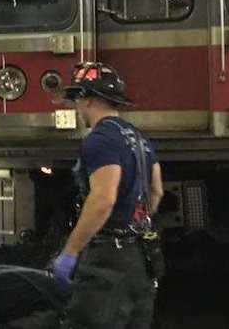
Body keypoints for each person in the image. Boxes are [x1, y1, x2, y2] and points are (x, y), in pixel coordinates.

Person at [48, 62, 164, 329]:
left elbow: (103, 199)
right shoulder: (139, 138)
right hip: (141, 258)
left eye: (77, 99)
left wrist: (70, 252)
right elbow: (156, 191)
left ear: (88, 99)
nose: (76, 107)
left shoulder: (100, 139)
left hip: (108, 263)